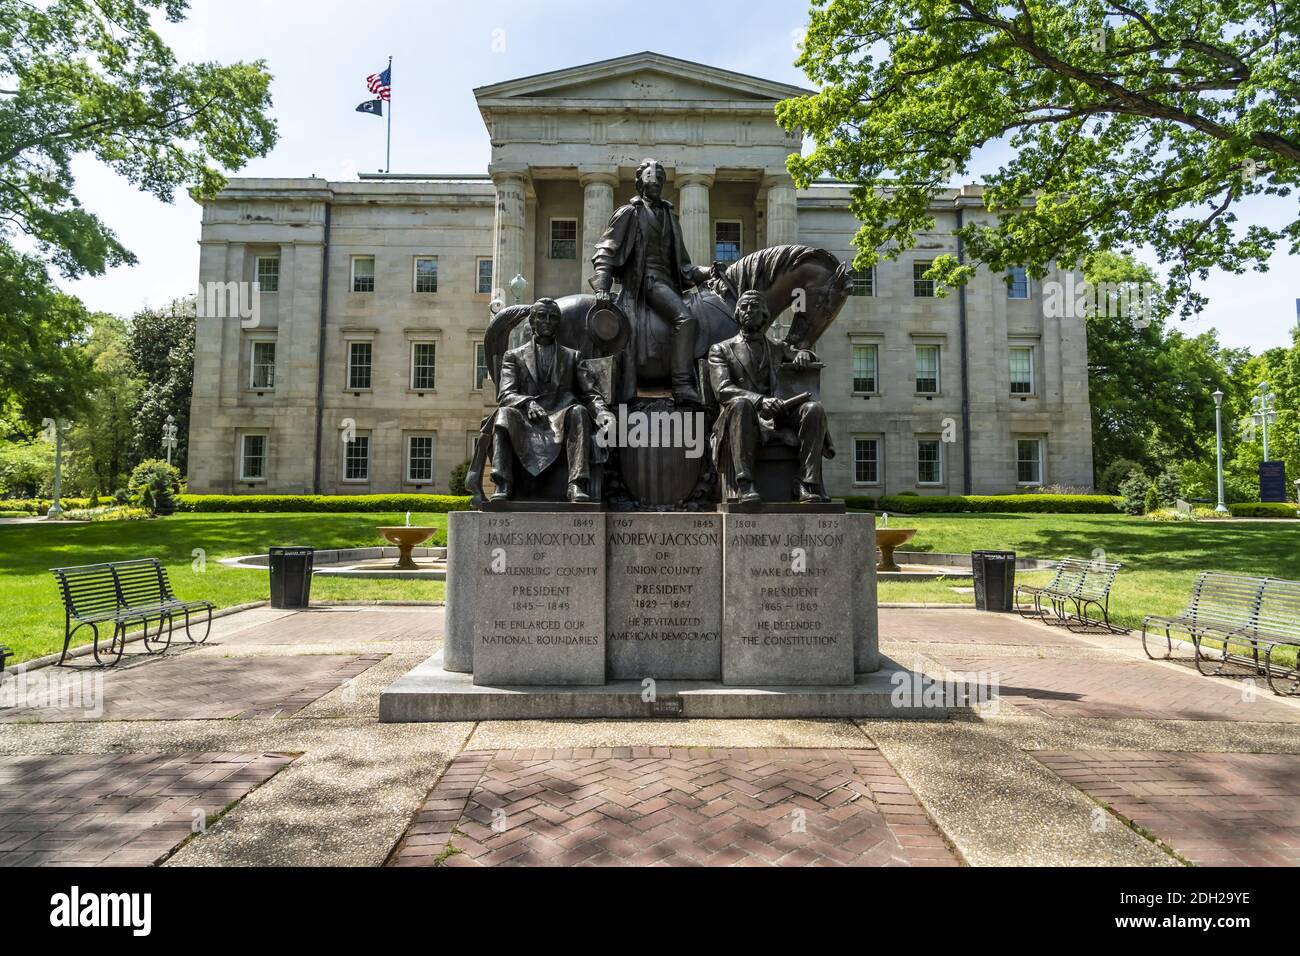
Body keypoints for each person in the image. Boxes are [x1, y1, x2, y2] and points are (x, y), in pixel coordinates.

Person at [590, 157, 723, 405]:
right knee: (686, 319)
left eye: (660, 179)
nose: (656, 183)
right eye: (651, 178)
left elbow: (684, 265)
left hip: (668, 283)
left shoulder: (671, 218)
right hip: (645, 283)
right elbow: (606, 251)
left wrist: (708, 271)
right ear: (640, 182)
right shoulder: (629, 213)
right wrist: (602, 288)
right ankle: (683, 384)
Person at [707, 290, 832, 503]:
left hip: (778, 414)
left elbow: (803, 355)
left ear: (764, 314)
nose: (748, 311)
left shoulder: (776, 347)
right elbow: (723, 389)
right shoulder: (721, 349)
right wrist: (760, 400)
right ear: (737, 314)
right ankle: (744, 484)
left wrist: (804, 354)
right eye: (744, 307)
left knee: (814, 409)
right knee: (740, 404)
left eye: (754, 306)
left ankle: (806, 484)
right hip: (744, 416)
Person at [489, 298, 613, 502]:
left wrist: (603, 412)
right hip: (526, 417)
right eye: (542, 316)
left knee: (579, 412)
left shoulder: (572, 357)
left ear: (558, 323)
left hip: (561, 415)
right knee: (503, 415)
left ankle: (576, 484)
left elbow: (589, 394)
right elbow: (505, 394)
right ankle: (503, 483)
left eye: (553, 317)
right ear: (532, 321)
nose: (547, 321)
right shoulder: (513, 356)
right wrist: (527, 402)